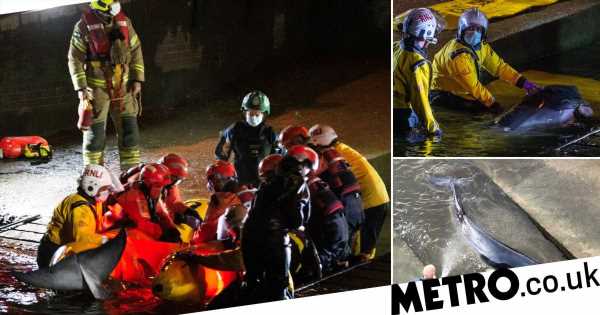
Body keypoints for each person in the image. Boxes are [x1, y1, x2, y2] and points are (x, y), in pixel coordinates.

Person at [68, 0, 145, 170]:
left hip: (123, 89)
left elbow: (135, 50)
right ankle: (93, 175)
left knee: (129, 133)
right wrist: (81, 89)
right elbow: (74, 59)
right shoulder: (83, 26)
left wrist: (137, 79)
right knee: (94, 138)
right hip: (97, 92)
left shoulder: (125, 22)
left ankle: (130, 174)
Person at [430, 8, 540, 113]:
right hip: (441, 93)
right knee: (481, 110)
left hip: (460, 89)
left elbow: (499, 67)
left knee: (485, 102)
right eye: (470, 28)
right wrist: (493, 105)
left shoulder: (481, 46)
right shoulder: (458, 56)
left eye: (478, 29)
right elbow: (474, 87)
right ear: (461, 30)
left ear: (483, 33)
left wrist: (524, 83)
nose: (474, 32)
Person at [241, 145, 313, 302]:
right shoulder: (295, 184)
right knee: (278, 286)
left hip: (249, 238)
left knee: (251, 281)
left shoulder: (263, 189)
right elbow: (297, 220)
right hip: (274, 241)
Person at [309, 124, 389, 261]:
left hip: (369, 203)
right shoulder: (341, 148)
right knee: (366, 245)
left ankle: (362, 275)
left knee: (360, 250)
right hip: (377, 198)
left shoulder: (333, 156)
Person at [37, 164, 115, 268]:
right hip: (54, 254)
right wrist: (108, 240)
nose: (108, 192)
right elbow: (83, 241)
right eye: (105, 189)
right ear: (92, 188)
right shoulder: (81, 210)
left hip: (54, 247)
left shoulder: (82, 199)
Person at [394, 8, 442, 139]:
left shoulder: (396, 47)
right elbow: (420, 101)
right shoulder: (418, 63)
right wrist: (433, 128)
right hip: (403, 115)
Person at [214, 91, 278, 187]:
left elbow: (277, 158)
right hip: (241, 184)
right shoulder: (234, 130)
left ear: (264, 114)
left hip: (264, 184)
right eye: (250, 113)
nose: (253, 117)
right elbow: (222, 155)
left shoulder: (269, 133)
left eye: (257, 114)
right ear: (244, 112)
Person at [119, 153, 201, 228]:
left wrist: (188, 211)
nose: (174, 183)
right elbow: (150, 213)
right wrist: (179, 218)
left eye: (178, 180)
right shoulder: (144, 184)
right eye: (174, 179)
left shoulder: (166, 183)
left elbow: (173, 202)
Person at [103, 163, 180, 241]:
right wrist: (163, 234)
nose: (161, 189)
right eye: (159, 186)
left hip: (129, 222)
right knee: (142, 233)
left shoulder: (147, 191)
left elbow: (161, 212)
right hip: (113, 228)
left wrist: (171, 228)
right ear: (150, 184)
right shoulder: (133, 196)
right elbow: (142, 223)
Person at [192, 161, 254, 244]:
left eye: (212, 181)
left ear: (217, 181)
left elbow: (203, 236)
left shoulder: (221, 199)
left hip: (236, 247)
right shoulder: (252, 191)